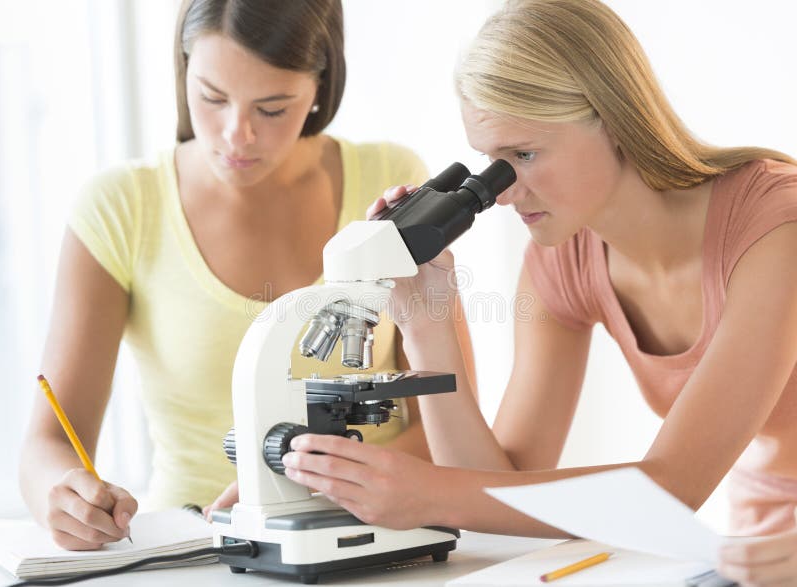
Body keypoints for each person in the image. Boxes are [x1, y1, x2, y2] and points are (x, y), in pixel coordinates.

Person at [281, 0, 797, 576]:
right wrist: (426, 323)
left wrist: (428, 492)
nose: (502, 193)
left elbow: (669, 488)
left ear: (614, 120)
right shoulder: (563, 257)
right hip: (764, 539)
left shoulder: (777, 227)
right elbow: (505, 488)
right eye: (491, 163)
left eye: (523, 155)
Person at [18, 0, 474, 551]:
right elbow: (48, 442)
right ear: (184, 69)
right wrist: (64, 496)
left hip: (372, 537)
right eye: (212, 98)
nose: (237, 135)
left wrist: (306, 489)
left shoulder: (390, 180)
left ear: (321, 85)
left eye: (273, 108)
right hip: (195, 547)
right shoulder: (120, 208)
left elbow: (450, 421)